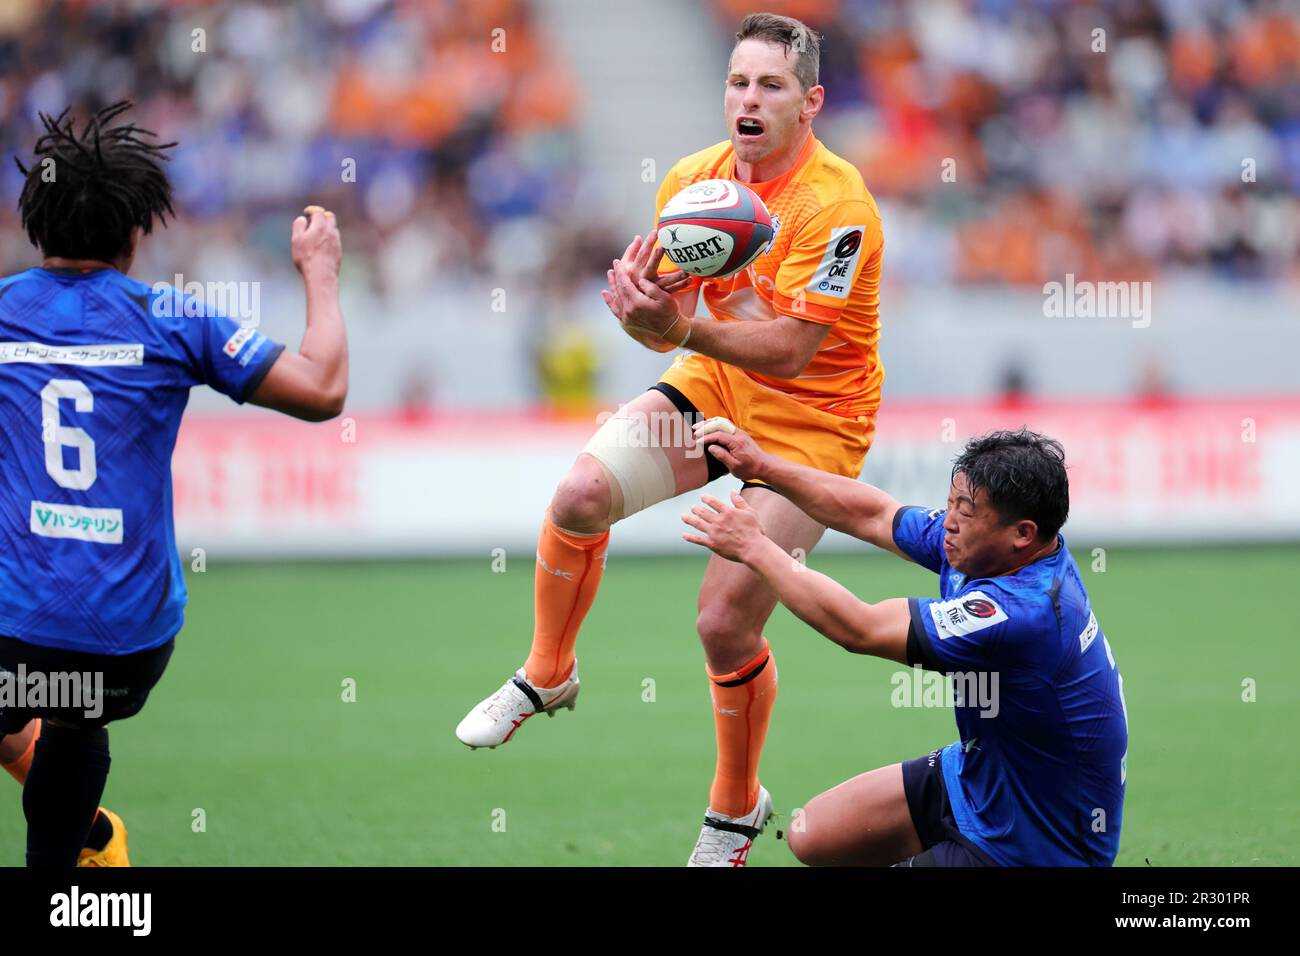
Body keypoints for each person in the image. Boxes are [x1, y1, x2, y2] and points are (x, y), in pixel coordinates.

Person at [456, 12, 887, 866]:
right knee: (580, 494)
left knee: (723, 622)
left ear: (812, 103)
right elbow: (668, 330)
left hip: (815, 420)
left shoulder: (840, 208)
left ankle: (735, 810)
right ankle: (547, 672)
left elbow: (795, 349)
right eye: (738, 81)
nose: (748, 99)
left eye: (771, 84)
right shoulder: (695, 184)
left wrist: (680, 332)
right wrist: (644, 316)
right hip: (716, 387)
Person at [0, 101, 348, 866]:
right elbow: (323, 389)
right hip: (128, 644)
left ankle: (80, 846)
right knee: (68, 710)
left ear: (34, 225)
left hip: (15, 632)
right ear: (135, 234)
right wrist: (319, 272)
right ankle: (84, 854)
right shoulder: (172, 318)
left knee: (25, 687)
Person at [682, 427, 1128, 866]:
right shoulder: (993, 550)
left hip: (1037, 845)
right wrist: (763, 466)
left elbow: (860, 628)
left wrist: (756, 548)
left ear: (1023, 533)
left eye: (966, 511)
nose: (948, 521)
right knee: (810, 834)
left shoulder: (1023, 611)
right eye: (951, 502)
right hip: (981, 777)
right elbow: (874, 514)